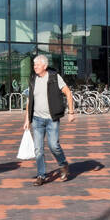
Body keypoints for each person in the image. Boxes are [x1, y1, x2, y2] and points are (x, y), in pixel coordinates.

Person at [23, 53, 75, 186]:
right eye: (34, 65)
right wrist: (27, 119)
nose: (35, 67)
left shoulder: (54, 77)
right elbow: (30, 100)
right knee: (38, 150)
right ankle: (41, 175)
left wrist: (71, 112)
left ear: (44, 66)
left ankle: (63, 164)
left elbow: (68, 93)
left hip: (52, 119)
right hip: (37, 119)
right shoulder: (33, 78)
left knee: (54, 146)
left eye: (37, 65)